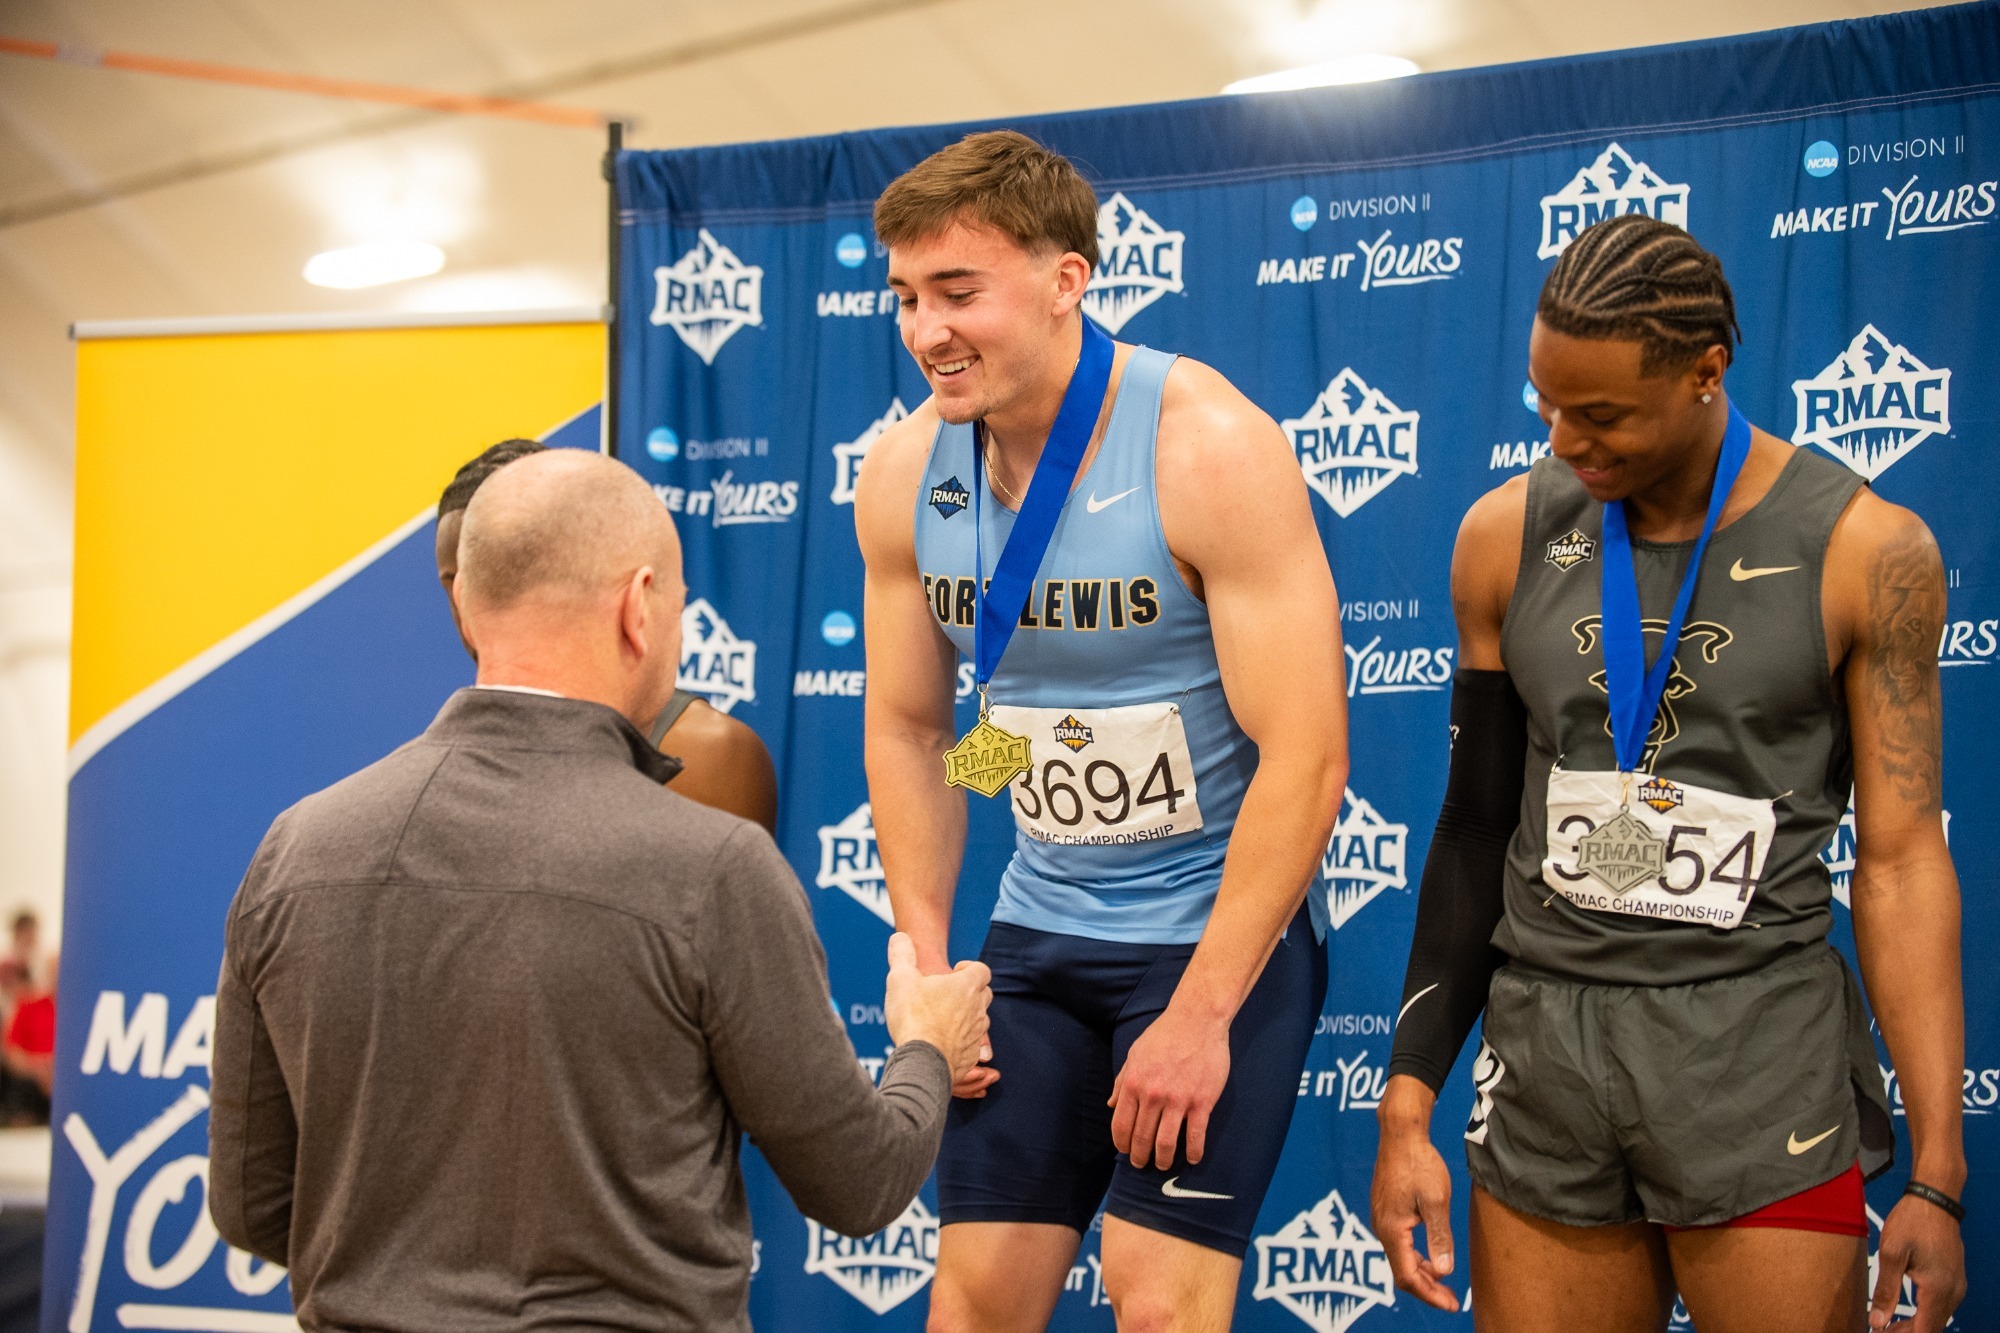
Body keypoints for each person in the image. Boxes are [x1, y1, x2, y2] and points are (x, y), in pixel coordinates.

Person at [210, 449, 994, 1332]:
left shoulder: (295, 850)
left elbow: (252, 1205)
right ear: (639, 606)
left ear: (466, 601)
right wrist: (929, 1044)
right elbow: (862, 1180)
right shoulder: (714, 867)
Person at [1370, 215, 1966, 1333]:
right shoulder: (1499, 536)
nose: (1562, 440)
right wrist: (1406, 1097)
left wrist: (1936, 1170)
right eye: (1544, 404)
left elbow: (1896, 860)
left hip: (1752, 1045)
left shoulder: (1867, 551)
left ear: (1705, 372)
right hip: (1546, 1046)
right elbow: (1471, 827)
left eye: (1597, 416)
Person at [855, 131, 1347, 1333]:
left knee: (1159, 1294)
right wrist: (926, 968)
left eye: (959, 293)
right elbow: (921, 729)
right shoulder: (904, 471)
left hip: (1206, 936)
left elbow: (1307, 754)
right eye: (907, 299)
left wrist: (1199, 1013)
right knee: (972, 1297)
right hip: (1039, 926)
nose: (927, 332)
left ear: (1067, 279)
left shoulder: (1205, 445)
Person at [436, 438, 778, 833]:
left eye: (516, 583)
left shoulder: (707, 752)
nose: (480, 618)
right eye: (466, 590)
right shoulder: (429, 767)